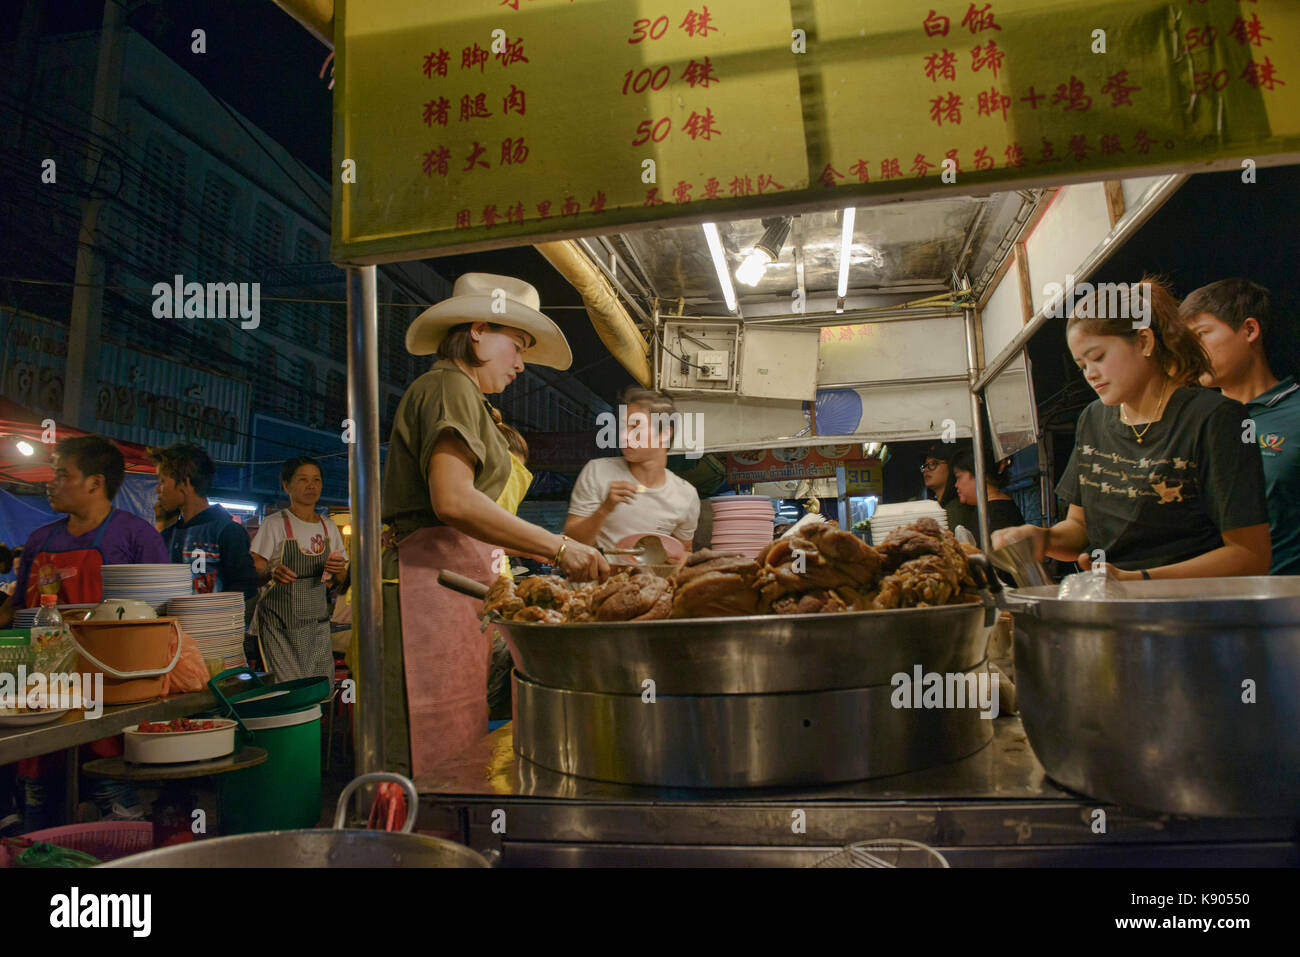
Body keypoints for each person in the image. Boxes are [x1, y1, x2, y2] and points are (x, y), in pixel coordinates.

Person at [382, 272, 608, 777]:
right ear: (478, 330)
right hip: (426, 583)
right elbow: (453, 500)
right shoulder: (446, 385)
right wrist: (558, 548)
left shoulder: (469, 397)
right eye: (518, 345)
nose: (521, 363)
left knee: (459, 735)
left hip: (454, 585)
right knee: (426, 747)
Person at [994, 277, 1271, 579]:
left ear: (1144, 341)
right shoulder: (1093, 419)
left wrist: (1137, 580)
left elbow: (1250, 555)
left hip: (1194, 614)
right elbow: (1079, 529)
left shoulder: (1215, 418)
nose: (1091, 374)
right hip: (1115, 610)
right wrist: (1041, 539)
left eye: (1098, 357)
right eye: (1082, 366)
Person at [1180, 279, 1300, 575]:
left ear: (1249, 330)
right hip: (1210, 608)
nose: (1192, 352)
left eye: (1202, 334)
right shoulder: (1191, 422)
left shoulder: (1294, 412)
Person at [0, 435, 168, 626]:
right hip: (45, 651)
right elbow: (15, 608)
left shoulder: (138, 536)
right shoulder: (39, 540)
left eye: (62, 475)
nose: (50, 483)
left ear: (95, 483)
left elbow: (159, 614)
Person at [565, 387, 701, 553]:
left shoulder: (686, 495)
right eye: (624, 427)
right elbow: (571, 542)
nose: (625, 435)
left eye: (635, 427)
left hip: (651, 578)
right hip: (601, 577)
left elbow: (684, 553)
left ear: (665, 433)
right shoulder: (597, 471)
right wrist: (605, 509)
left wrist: (673, 559)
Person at [249, 456, 348, 682]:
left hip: (316, 625)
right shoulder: (274, 524)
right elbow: (254, 571)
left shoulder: (328, 526)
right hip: (278, 627)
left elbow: (342, 580)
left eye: (316, 480)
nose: (311, 486)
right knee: (286, 690)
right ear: (286, 485)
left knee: (319, 687)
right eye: (303, 479)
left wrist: (338, 568)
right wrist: (271, 573)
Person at [152, 442, 259, 608]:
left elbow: (246, 585)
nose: (158, 490)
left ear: (184, 484)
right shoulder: (169, 534)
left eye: (162, 481)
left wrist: (209, 609)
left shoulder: (227, 531)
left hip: (214, 631)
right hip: (173, 631)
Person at [949, 448, 1025, 542]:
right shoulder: (988, 509)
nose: (956, 485)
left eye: (958, 477)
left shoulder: (998, 514)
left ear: (978, 474)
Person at [921, 442, 977, 533]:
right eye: (925, 466)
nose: (926, 470)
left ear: (951, 468)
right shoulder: (937, 507)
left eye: (933, 464)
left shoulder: (957, 510)